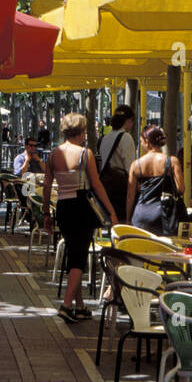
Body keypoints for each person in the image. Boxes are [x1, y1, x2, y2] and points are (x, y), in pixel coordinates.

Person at [43, 113, 116, 324]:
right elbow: (96, 184)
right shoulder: (86, 154)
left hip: (63, 206)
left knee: (73, 252)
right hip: (81, 206)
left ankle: (80, 306)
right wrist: (111, 211)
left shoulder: (53, 154)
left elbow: (47, 185)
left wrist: (47, 213)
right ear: (82, 132)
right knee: (79, 257)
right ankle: (66, 306)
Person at [126, 126, 185, 236]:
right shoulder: (172, 161)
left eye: (141, 142)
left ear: (147, 142)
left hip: (141, 215)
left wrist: (128, 219)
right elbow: (181, 189)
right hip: (164, 216)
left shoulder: (136, 165)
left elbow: (130, 196)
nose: (141, 145)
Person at [97, 105, 137, 222]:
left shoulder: (105, 138)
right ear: (129, 120)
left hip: (106, 187)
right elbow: (130, 168)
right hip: (120, 189)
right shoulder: (126, 137)